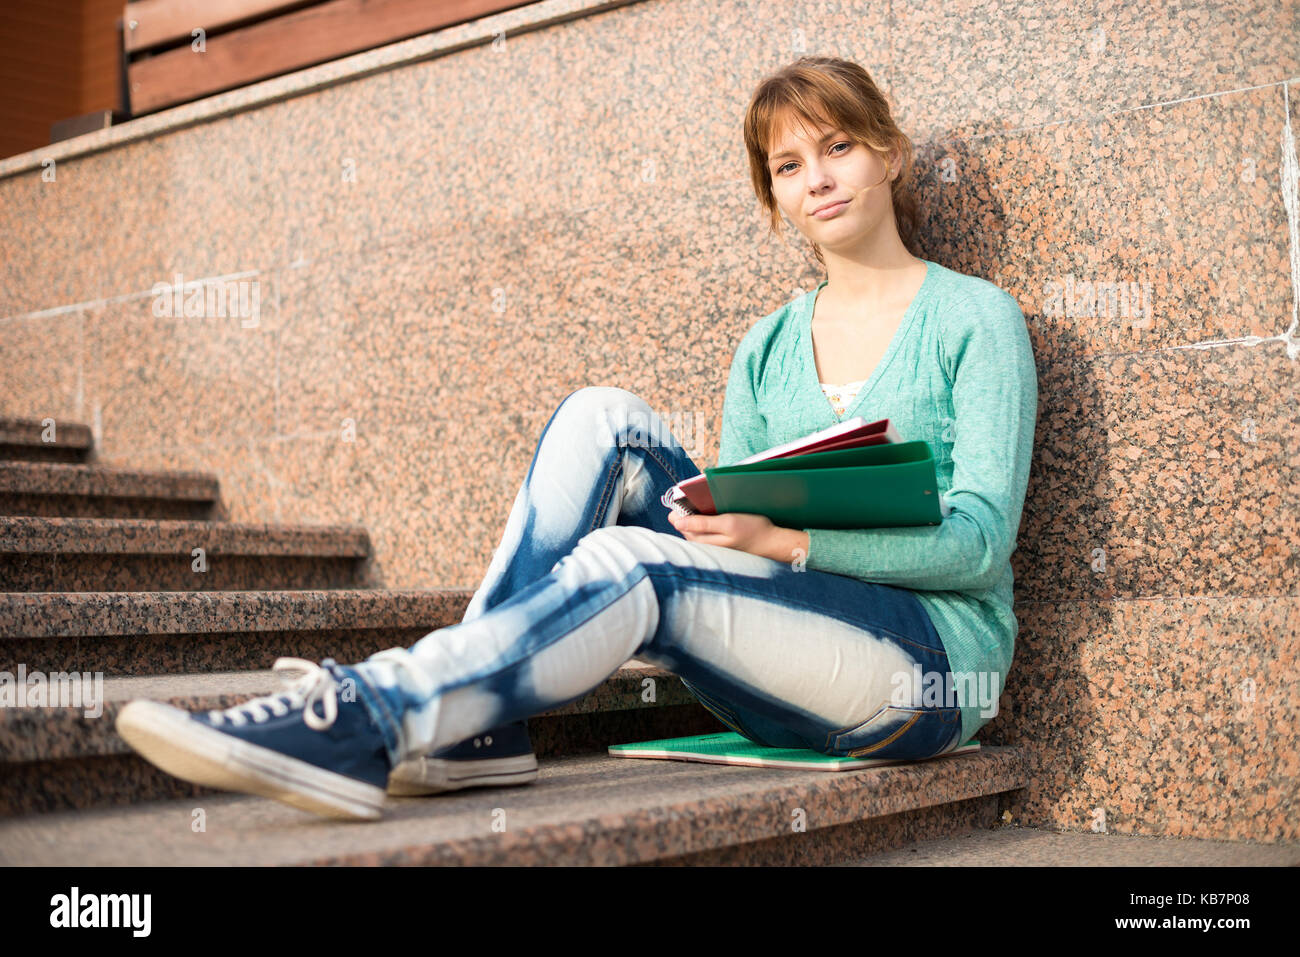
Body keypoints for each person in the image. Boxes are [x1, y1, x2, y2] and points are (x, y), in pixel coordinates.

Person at [116, 55, 1038, 821]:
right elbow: (740, 498)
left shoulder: (973, 320)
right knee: (604, 415)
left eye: (837, 147)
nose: (820, 178)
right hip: (776, 652)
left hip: (925, 670)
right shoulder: (765, 347)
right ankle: (477, 727)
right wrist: (744, 528)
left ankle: (369, 714)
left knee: (638, 563)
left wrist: (790, 542)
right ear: (774, 196)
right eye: (789, 165)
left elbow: (980, 542)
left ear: (889, 151)